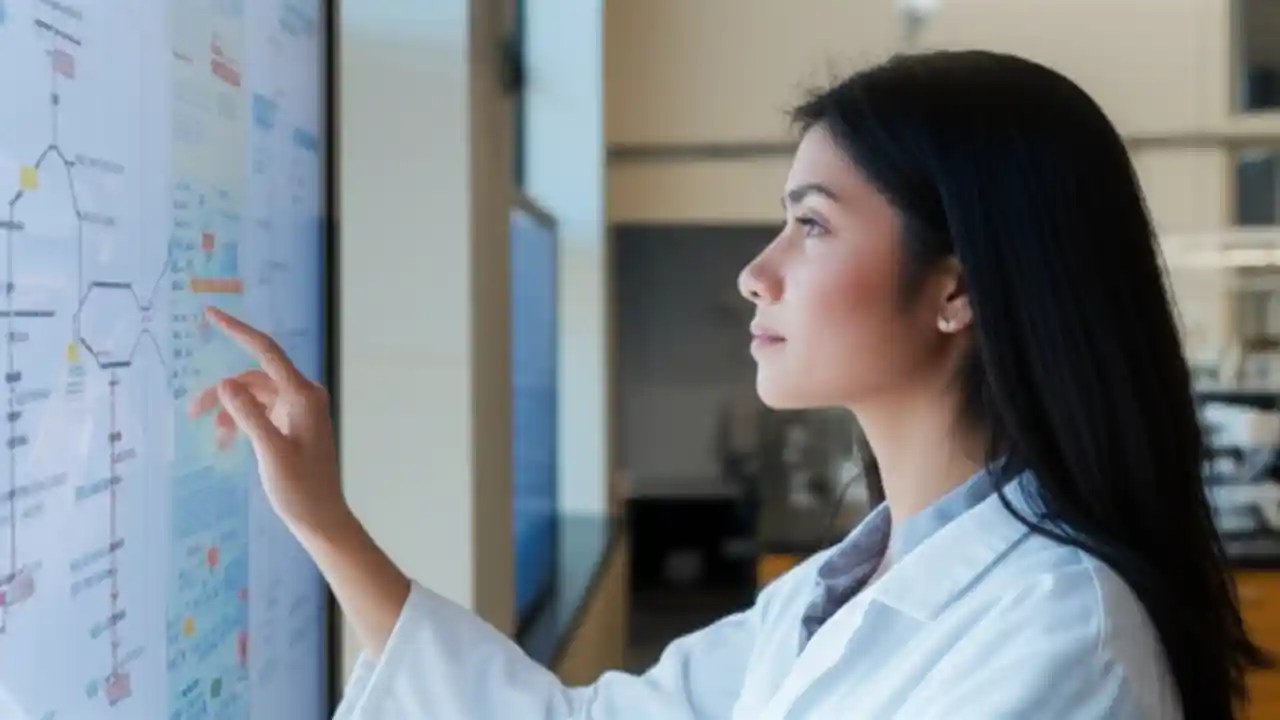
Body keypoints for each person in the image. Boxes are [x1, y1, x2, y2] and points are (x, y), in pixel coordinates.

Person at [192, 50, 1269, 719]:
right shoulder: (838, 590)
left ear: (956, 289)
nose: (755, 273)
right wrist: (326, 523)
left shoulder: (1054, 639)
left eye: (809, 225)